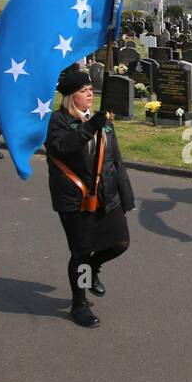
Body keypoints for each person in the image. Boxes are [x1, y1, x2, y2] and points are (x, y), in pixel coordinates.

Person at [44, 66, 134, 328]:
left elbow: (115, 159)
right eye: (84, 91)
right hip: (75, 200)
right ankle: (79, 304)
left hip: (107, 195)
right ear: (72, 96)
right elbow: (61, 148)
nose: (90, 94)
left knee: (120, 243)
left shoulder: (101, 119)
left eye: (91, 90)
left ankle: (95, 266)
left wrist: (126, 194)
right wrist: (91, 126)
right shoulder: (57, 121)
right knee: (81, 252)